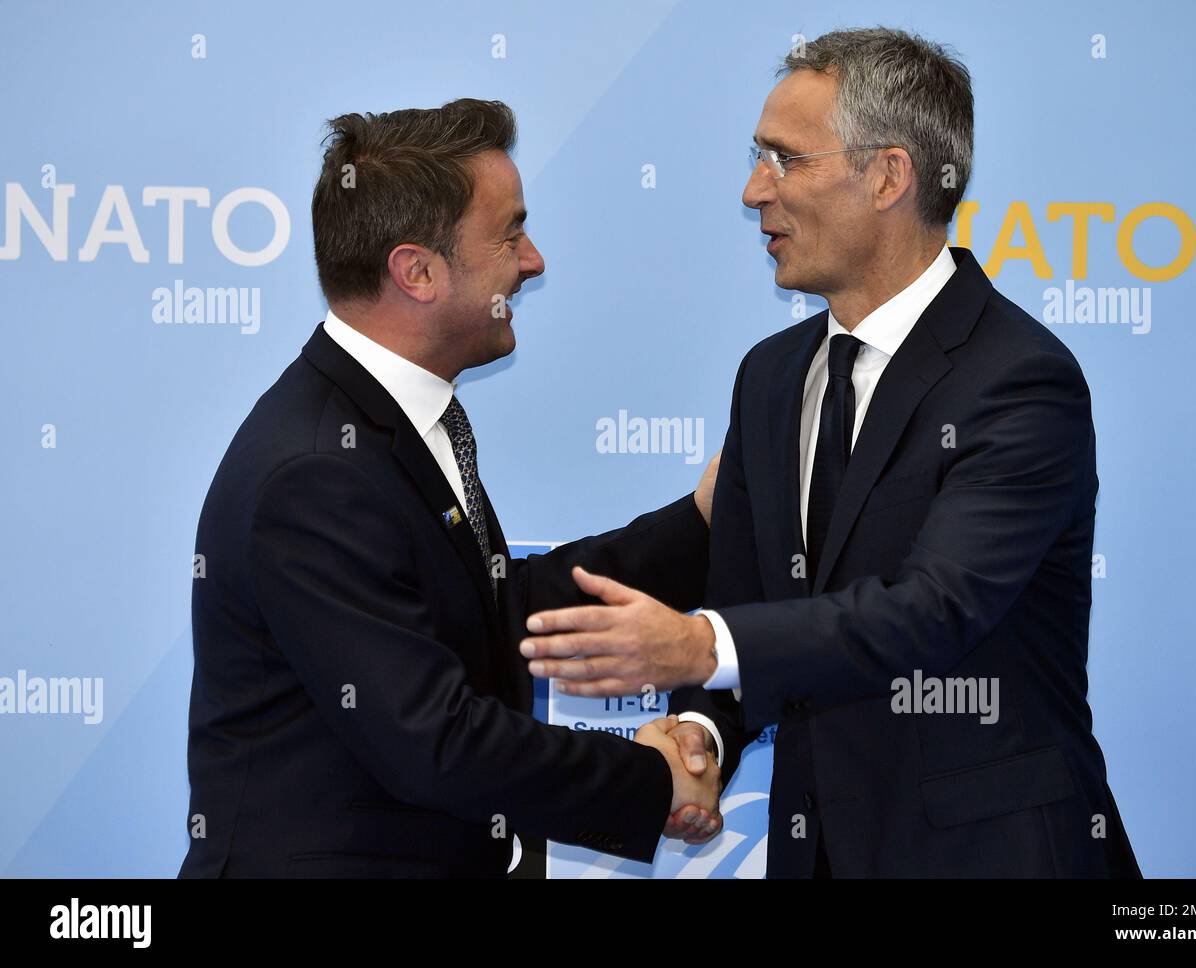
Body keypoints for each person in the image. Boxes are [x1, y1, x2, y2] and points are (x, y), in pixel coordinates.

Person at [520, 28, 1141, 877]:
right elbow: (742, 595)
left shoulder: (1019, 380)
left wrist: (701, 646)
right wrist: (701, 732)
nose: (753, 191)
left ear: (888, 175)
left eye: (784, 159)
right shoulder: (770, 378)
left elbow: (933, 608)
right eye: (757, 157)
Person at [180, 99, 719, 878]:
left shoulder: (392, 420)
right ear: (418, 271)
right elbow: (433, 739)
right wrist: (650, 781)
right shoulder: (316, 474)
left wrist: (699, 523)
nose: (533, 260)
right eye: (510, 234)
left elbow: (492, 607)